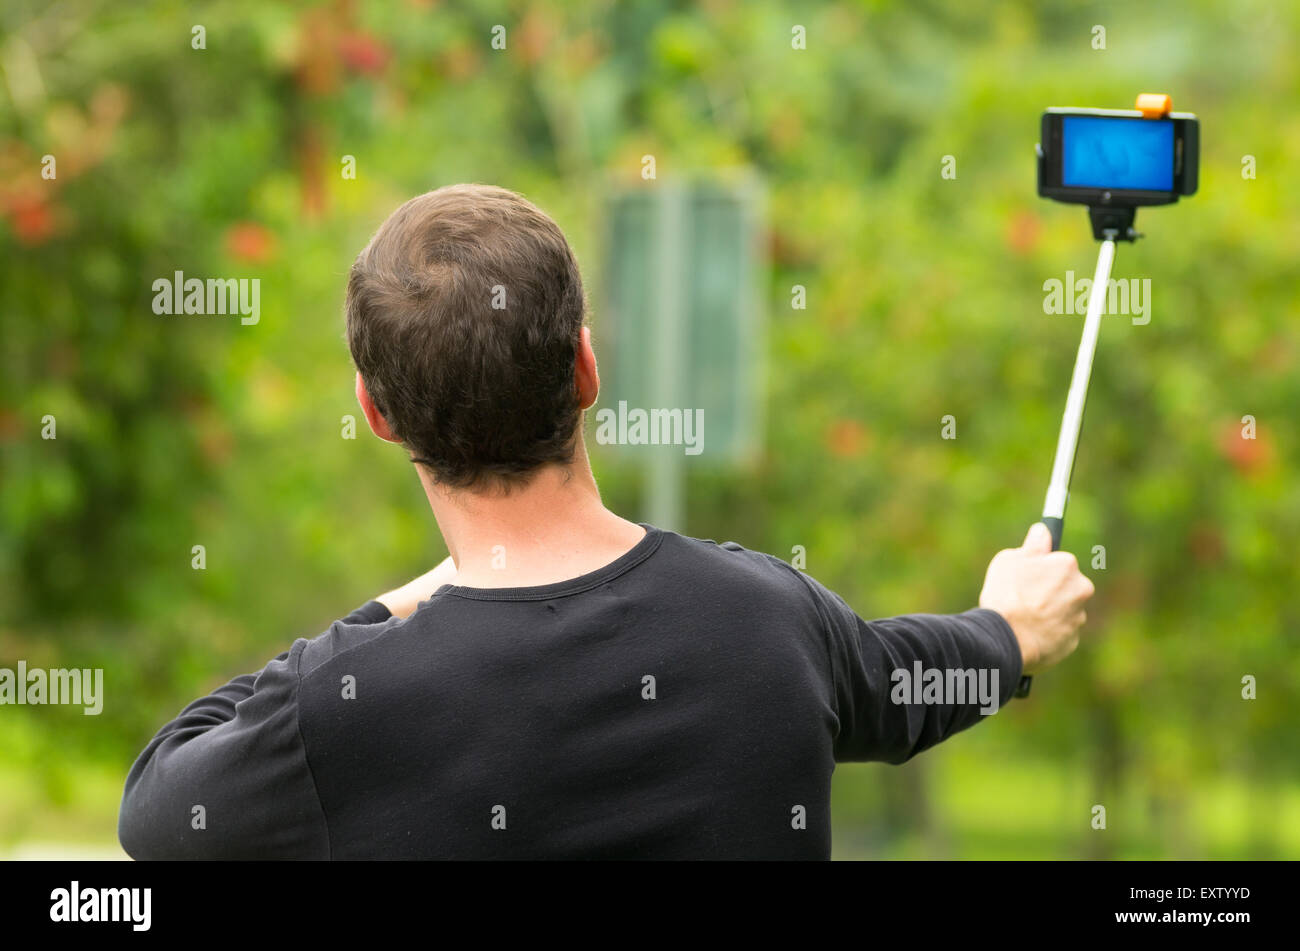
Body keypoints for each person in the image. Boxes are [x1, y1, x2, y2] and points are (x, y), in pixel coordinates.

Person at [118, 184, 1094, 860]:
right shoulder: (769, 620)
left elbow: (158, 808)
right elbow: (906, 686)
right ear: (586, 368)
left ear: (377, 414)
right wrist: (1009, 632)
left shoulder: (340, 711)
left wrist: (397, 609)